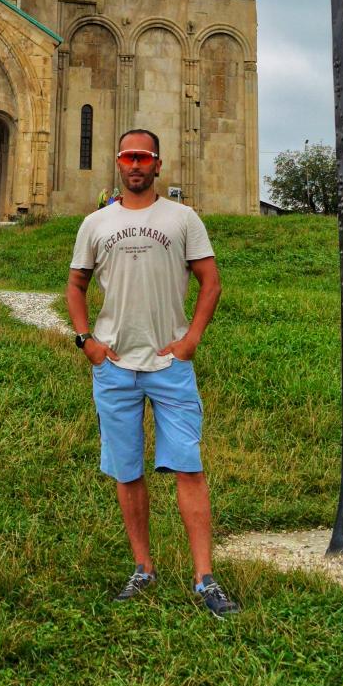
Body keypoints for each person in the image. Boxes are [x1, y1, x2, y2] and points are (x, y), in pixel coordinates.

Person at [65, 128, 239, 616]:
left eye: (144, 157)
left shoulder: (183, 218)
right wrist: (87, 342)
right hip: (115, 366)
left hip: (169, 365)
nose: (135, 165)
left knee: (188, 465)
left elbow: (211, 282)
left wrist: (191, 341)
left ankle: (205, 578)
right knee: (127, 470)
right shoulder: (96, 223)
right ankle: (143, 567)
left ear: (158, 165)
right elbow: (76, 285)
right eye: (127, 157)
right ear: (118, 164)